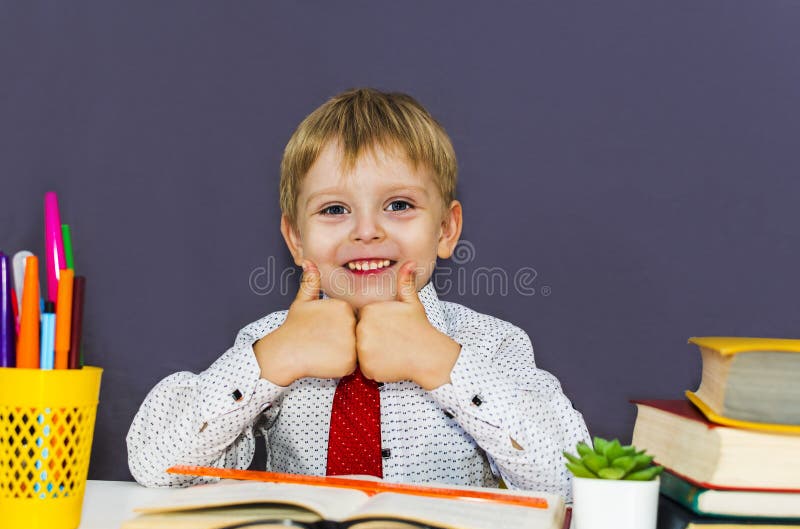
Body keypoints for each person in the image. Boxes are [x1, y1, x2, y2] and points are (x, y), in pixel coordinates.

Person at [127, 88, 590, 499]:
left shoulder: (492, 345)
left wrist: (444, 365)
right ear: (296, 240)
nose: (366, 231)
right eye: (334, 209)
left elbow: (570, 481)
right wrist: (268, 364)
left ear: (446, 230)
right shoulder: (270, 342)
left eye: (399, 205)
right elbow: (158, 467)